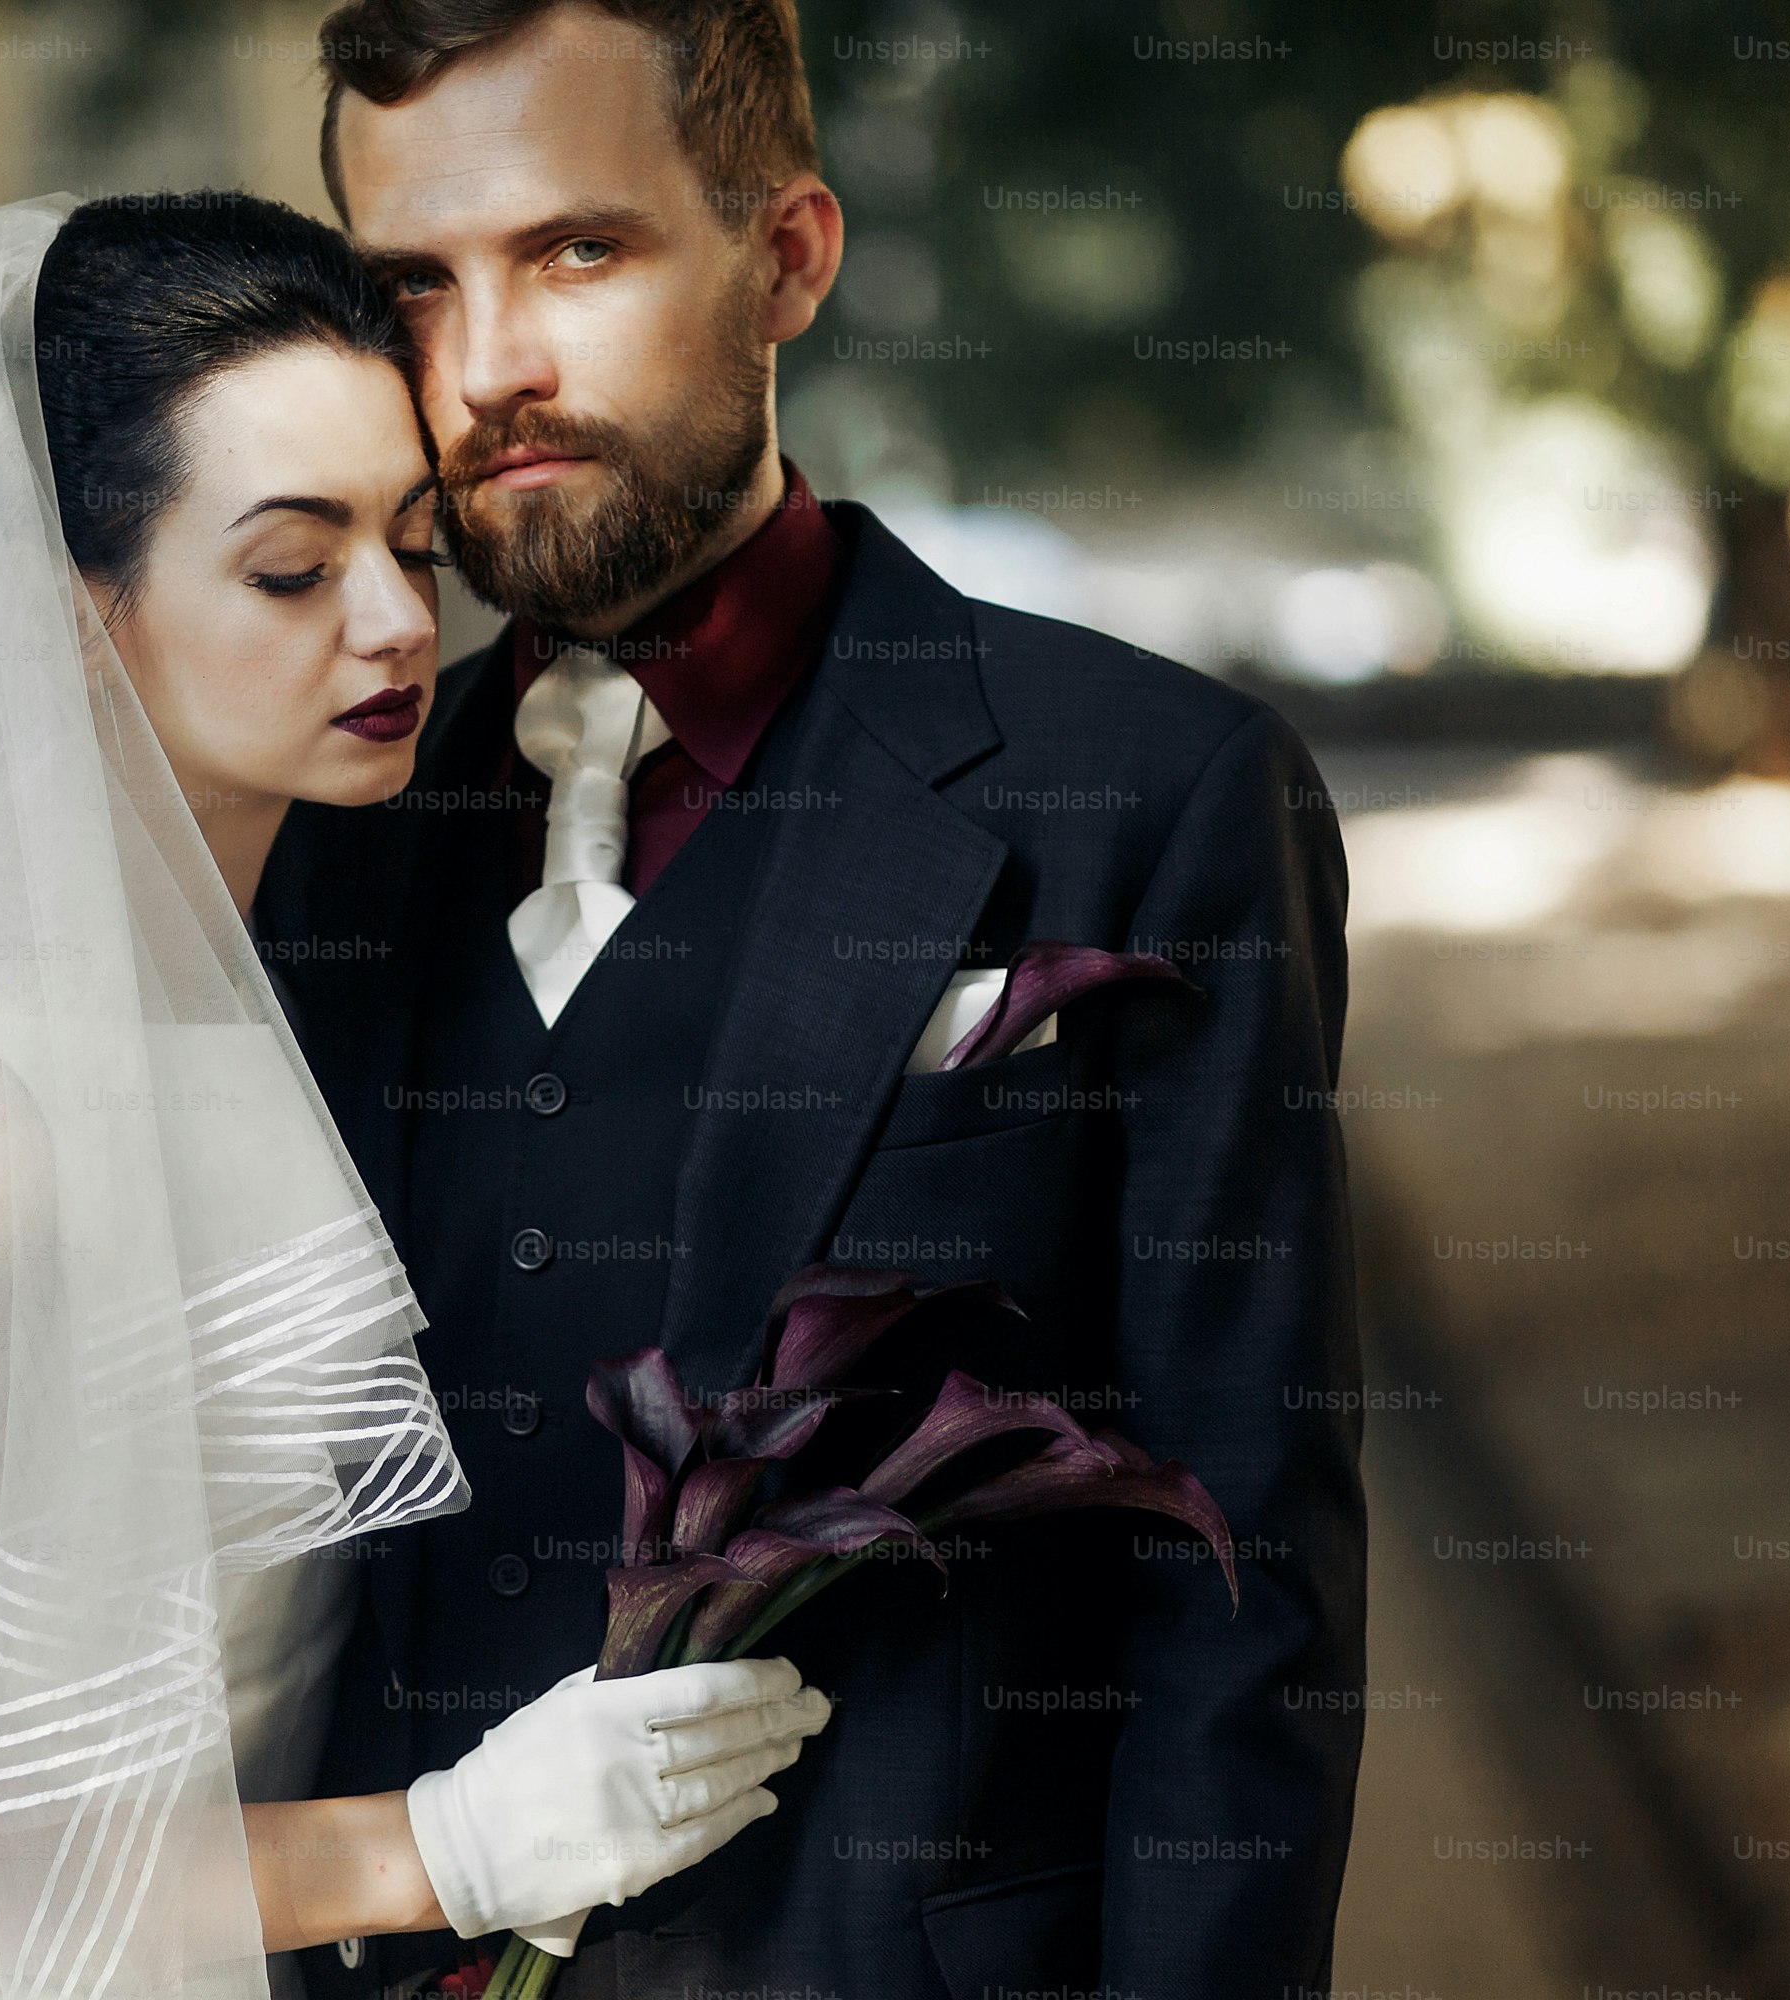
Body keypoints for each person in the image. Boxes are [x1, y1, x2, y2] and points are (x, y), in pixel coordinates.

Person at [0, 192, 831, 2000]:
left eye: (416, 542)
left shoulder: (243, 987)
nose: (402, 622)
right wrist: (439, 1846)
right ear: (68, 608)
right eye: (290, 568)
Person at [258, 5, 1369, 1996]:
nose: (488, 365)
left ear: (787, 256)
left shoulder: (1150, 797)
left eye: (576, 252)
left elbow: (1244, 1600)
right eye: (414, 284)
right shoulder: (311, 833)